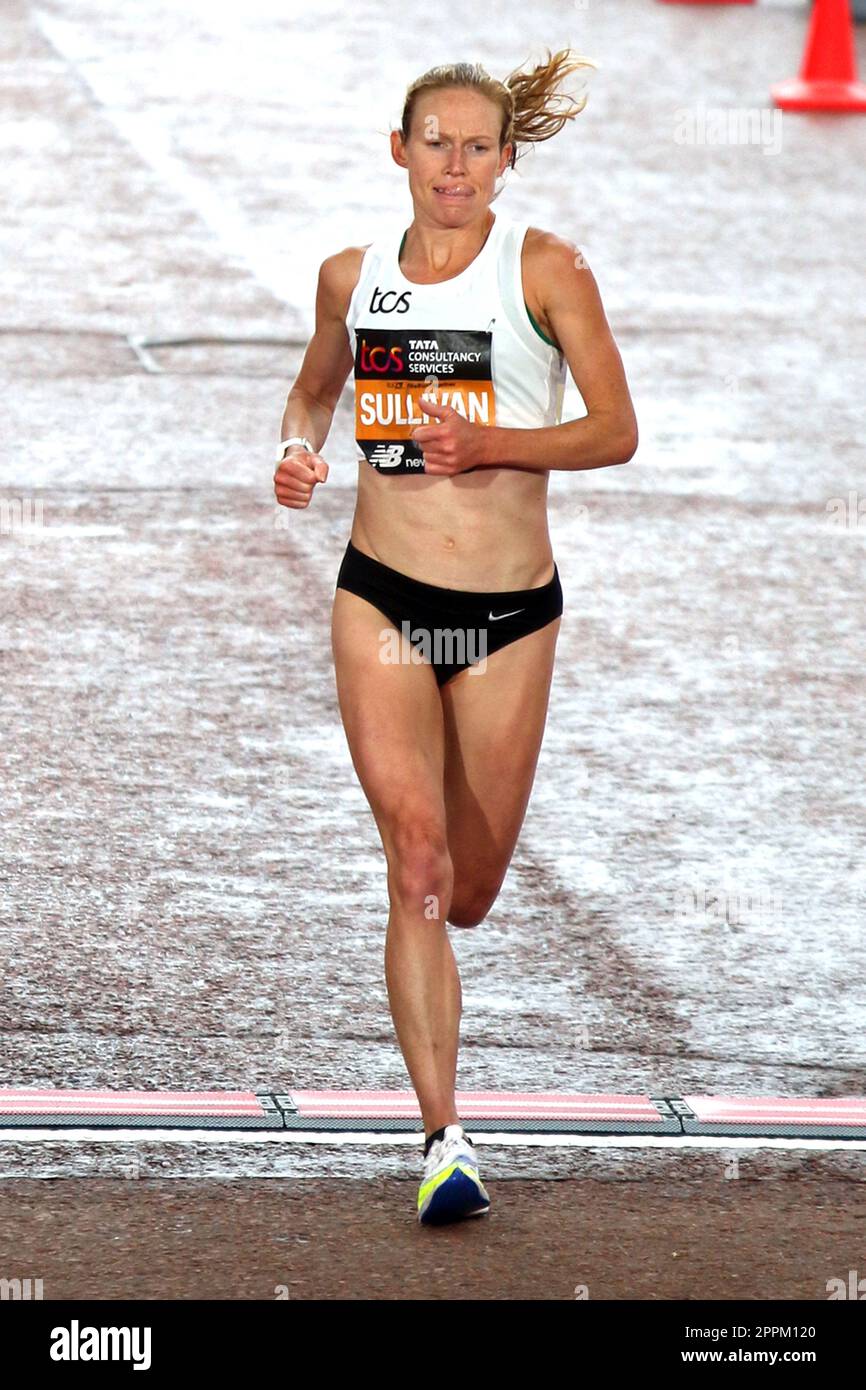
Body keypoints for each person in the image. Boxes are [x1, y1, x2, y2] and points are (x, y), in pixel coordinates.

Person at [273, 48, 638, 1226]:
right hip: (379, 592)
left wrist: (493, 446)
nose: (455, 164)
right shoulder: (350, 274)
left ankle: (443, 1101)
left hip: (505, 616)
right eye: (435, 140)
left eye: (477, 145)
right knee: (416, 866)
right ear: (399, 151)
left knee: (469, 891)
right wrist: (296, 449)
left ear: (506, 161)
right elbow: (314, 389)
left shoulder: (545, 272)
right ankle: (442, 1138)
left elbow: (616, 430)